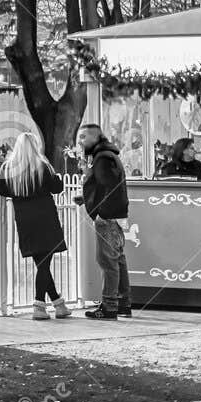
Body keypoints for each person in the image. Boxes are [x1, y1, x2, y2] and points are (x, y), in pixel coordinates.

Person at [0, 131, 69, 321]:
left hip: (25, 219)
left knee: (42, 264)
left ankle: (59, 305)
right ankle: (39, 306)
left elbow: (0, 189)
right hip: (46, 217)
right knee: (44, 265)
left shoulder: (8, 167)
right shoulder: (43, 166)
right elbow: (57, 188)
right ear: (36, 146)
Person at [75, 122, 131, 320]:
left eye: (83, 137)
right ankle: (123, 304)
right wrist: (86, 198)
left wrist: (102, 213)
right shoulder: (107, 156)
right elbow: (104, 186)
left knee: (108, 261)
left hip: (107, 217)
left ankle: (109, 306)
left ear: (95, 137)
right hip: (114, 215)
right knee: (118, 260)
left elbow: (111, 187)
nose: (80, 141)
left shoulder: (102, 158)